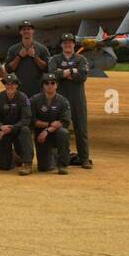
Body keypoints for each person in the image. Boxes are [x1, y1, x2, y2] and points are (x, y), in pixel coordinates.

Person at [51, 33, 92, 168]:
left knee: (81, 129)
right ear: (61, 44)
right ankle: (61, 158)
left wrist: (62, 73)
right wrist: (70, 71)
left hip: (77, 99)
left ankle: (84, 158)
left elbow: (82, 76)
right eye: (65, 42)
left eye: (70, 42)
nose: (67, 45)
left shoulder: (81, 59)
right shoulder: (55, 59)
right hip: (60, 99)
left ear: (74, 44)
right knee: (59, 129)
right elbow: (51, 75)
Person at [0, 74, 34, 174]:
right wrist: (0, 126)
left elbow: (26, 118)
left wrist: (12, 127)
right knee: (4, 166)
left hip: (18, 130)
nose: (10, 86)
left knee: (25, 130)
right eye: (7, 84)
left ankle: (27, 163)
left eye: (13, 84)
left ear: (17, 85)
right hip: (4, 132)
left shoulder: (23, 98)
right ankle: (13, 157)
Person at [31, 74, 72, 174]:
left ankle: (62, 165)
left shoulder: (63, 101)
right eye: (46, 83)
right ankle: (53, 155)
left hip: (55, 133)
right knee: (43, 168)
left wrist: (47, 130)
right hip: (40, 135)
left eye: (53, 83)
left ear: (56, 85)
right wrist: (49, 125)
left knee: (63, 132)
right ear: (43, 86)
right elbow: (31, 120)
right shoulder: (34, 100)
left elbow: (64, 121)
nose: (50, 85)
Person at [5, 21, 50, 98]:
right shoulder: (13, 49)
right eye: (24, 29)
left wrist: (34, 56)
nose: (26, 31)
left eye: (28, 29)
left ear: (33, 31)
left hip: (38, 89)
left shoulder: (42, 48)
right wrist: (19, 56)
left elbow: (47, 68)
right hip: (19, 89)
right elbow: (9, 69)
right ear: (20, 32)